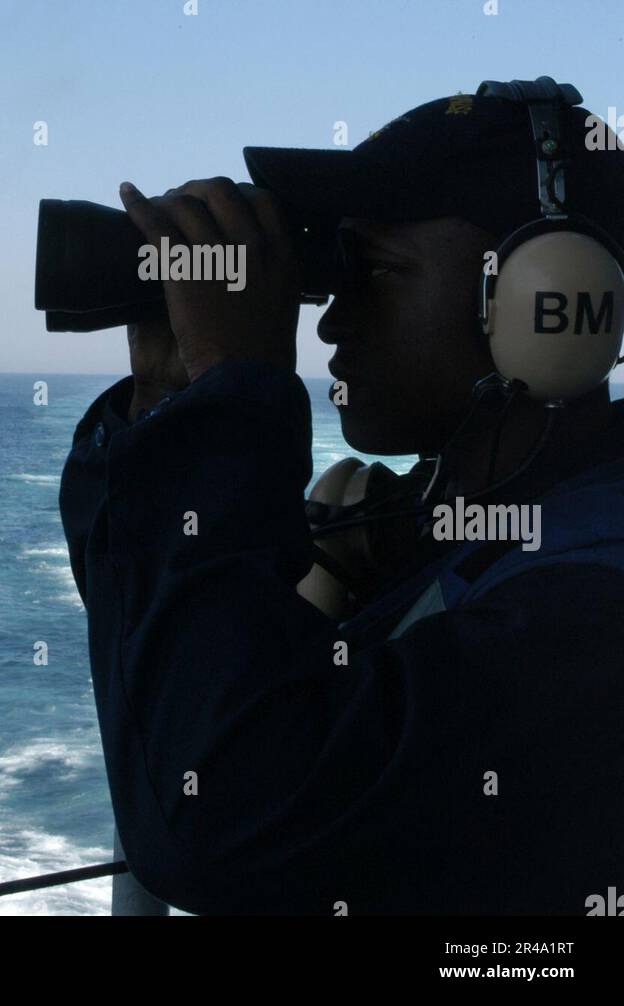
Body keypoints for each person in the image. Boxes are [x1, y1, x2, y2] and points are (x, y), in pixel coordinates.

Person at [58, 82, 624, 915]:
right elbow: (161, 674)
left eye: (378, 274)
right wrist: (160, 407)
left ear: (549, 304)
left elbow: (217, 823)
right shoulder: (457, 532)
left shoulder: (592, 608)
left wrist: (231, 405)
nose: (327, 327)